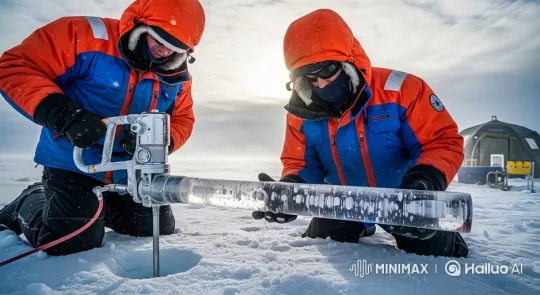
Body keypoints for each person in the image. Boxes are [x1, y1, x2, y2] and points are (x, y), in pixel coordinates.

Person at [252, 9, 468, 258]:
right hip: (339, 202)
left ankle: (448, 239)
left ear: (348, 62)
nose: (320, 84)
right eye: (309, 77)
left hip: (403, 199)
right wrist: (291, 189)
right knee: (322, 246)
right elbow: (301, 162)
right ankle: (358, 226)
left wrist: (425, 181)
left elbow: (441, 141)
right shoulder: (301, 113)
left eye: (327, 71)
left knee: (434, 255)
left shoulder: (403, 90)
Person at [0, 0, 205, 256]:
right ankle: (30, 200)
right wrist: (64, 115)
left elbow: (183, 118)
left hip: (129, 171)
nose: (164, 52)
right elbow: (16, 66)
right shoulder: (85, 35)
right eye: (160, 41)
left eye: (175, 48)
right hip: (73, 164)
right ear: (141, 25)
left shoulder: (177, 77)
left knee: (154, 228)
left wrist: (162, 140)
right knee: (71, 243)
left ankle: (96, 208)